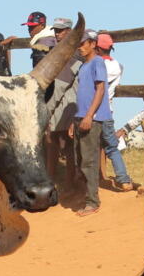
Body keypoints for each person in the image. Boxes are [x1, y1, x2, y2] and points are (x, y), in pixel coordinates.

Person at [69, 30, 112, 216]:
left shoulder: (97, 63)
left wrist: (89, 116)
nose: (80, 47)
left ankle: (92, 201)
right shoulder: (82, 66)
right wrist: (75, 119)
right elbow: (81, 94)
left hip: (92, 119)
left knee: (89, 160)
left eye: (83, 43)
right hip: (81, 117)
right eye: (78, 44)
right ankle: (86, 195)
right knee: (79, 159)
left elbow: (100, 89)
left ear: (93, 44)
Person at [44, 18, 82, 193]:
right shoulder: (71, 51)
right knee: (63, 144)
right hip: (69, 103)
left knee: (59, 142)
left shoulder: (69, 54)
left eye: (60, 31)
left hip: (66, 104)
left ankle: (64, 183)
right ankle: (65, 183)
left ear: (69, 31)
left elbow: (60, 86)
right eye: (56, 31)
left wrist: (47, 110)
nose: (57, 34)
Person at [96, 32, 134, 191]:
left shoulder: (95, 65)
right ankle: (123, 179)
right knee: (111, 147)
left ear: (96, 47)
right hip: (107, 110)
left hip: (91, 110)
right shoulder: (118, 66)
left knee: (88, 147)